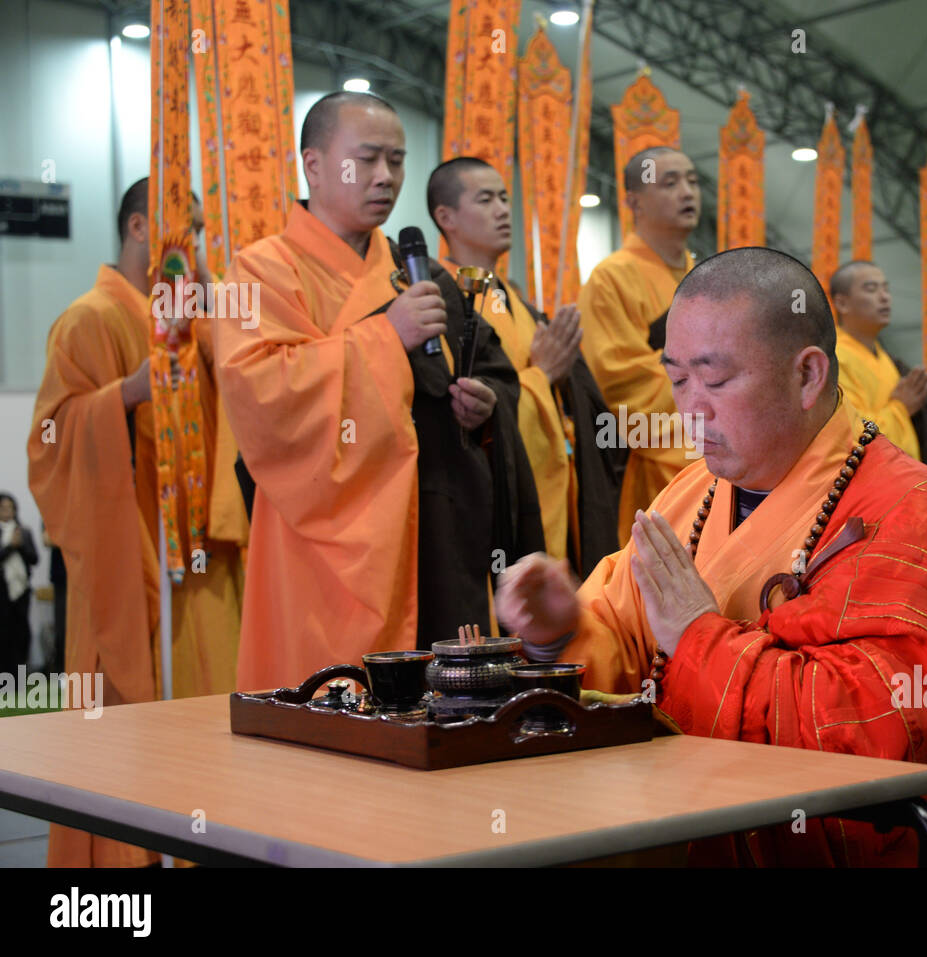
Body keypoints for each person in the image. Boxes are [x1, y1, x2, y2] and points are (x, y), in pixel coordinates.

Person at [497, 247, 927, 867]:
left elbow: (877, 729)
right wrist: (558, 632)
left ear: (807, 375)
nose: (691, 408)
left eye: (718, 379)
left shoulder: (910, 513)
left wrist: (698, 638)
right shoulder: (691, 493)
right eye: (677, 379)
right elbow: (620, 634)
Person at [214, 91, 540, 687]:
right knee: (339, 708)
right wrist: (386, 335)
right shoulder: (263, 270)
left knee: (442, 708)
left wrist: (485, 407)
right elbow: (262, 394)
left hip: (437, 528)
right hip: (325, 540)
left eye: (397, 160)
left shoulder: (422, 272)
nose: (385, 177)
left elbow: (491, 367)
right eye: (366, 160)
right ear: (313, 165)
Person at [28, 178, 243, 866]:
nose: (199, 250)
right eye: (192, 233)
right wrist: (125, 394)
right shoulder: (90, 319)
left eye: (206, 234)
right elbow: (49, 441)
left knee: (214, 735)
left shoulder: (201, 326)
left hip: (204, 564)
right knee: (126, 734)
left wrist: (210, 302)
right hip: (131, 560)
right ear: (141, 228)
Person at [426, 157, 620, 577]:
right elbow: (452, 412)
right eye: (485, 199)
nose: (501, 210)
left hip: (550, 486)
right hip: (491, 504)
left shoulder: (519, 304)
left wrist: (566, 385)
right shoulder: (440, 301)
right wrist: (542, 377)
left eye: (503, 198)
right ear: (446, 217)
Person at [578, 146, 699, 543]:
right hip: (656, 468)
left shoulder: (709, 276)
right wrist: (714, 381)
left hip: (719, 453)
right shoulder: (611, 278)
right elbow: (618, 381)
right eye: (670, 183)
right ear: (633, 201)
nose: (687, 192)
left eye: (692, 181)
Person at [828, 260, 923, 459]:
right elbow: (853, 430)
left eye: (886, 289)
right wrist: (901, 408)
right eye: (871, 289)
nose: (884, 297)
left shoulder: (883, 357)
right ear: (842, 303)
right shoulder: (834, 357)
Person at [0, 494, 39, 681]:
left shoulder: (23, 532)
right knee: (4, 633)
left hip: (21, 590)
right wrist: (9, 547)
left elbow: (34, 558)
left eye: (10, 508)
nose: (8, 512)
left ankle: (19, 677)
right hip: (2, 592)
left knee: (21, 633)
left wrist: (20, 545)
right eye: (3, 508)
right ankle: (4, 678)